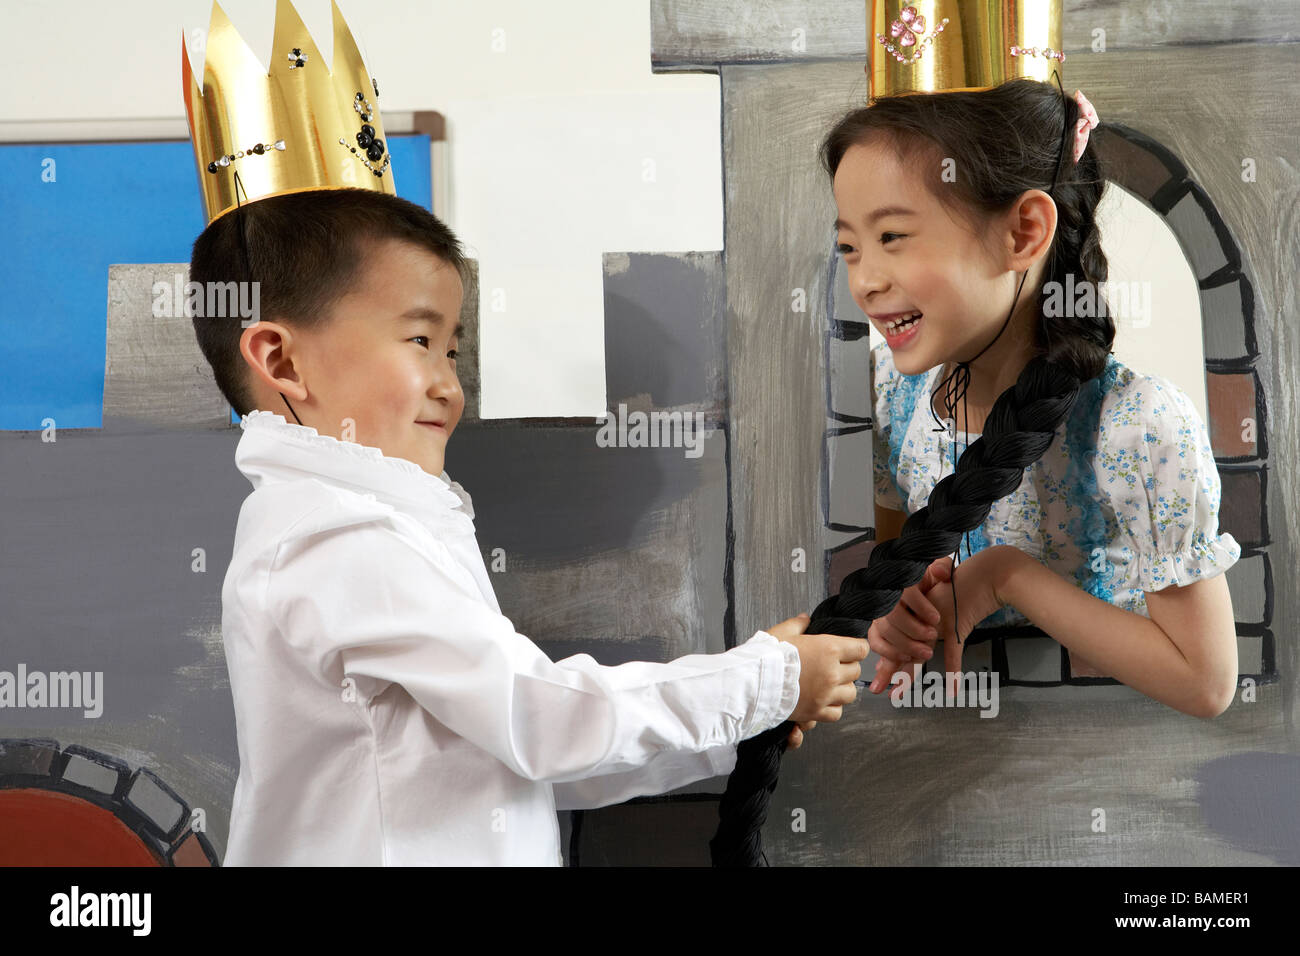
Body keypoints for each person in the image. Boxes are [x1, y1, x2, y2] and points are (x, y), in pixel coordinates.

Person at [190, 188, 868, 865]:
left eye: (451, 352)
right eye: (420, 341)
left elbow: (518, 761)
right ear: (281, 362)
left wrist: (748, 717)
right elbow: (542, 719)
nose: (448, 385)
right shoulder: (343, 540)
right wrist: (761, 681)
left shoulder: (367, 525)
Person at [828, 80, 1240, 717]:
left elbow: (1205, 682)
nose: (866, 281)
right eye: (850, 247)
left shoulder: (1137, 426)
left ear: (1024, 231)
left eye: (892, 238)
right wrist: (899, 618)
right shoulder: (894, 396)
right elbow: (902, 570)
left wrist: (1003, 577)